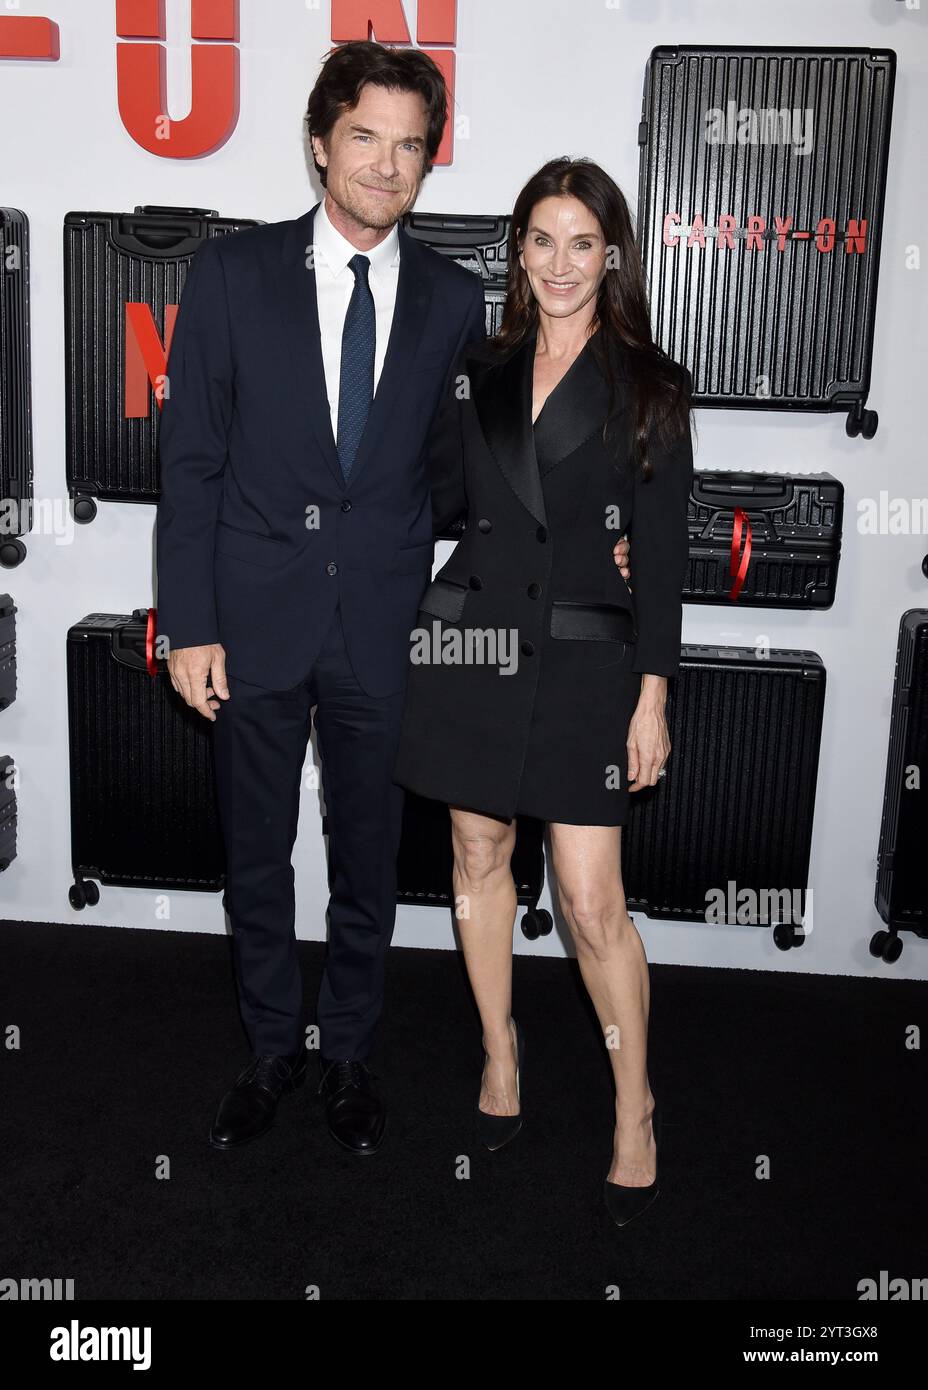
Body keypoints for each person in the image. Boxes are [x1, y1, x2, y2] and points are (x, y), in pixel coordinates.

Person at [156, 39, 636, 1156]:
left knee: (369, 854)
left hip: (386, 628)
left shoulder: (451, 300)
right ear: (321, 143)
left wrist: (594, 549)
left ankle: (350, 1053)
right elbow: (191, 465)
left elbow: (476, 478)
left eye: (409, 145)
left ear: (428, 164)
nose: (385, 163)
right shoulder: (231, 276)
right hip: (252, 619)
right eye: (364, 137)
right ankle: (272, 1045)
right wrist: (190, 622)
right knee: (256, 854)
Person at [392, 156, 694, 1225]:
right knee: (476, 855)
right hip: (471, 649)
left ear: (609, 254)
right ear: (515, 252)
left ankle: (632, 1105)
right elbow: (432, 497)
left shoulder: (649, 383)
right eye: (539, 239)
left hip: (581, 665)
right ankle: (499, 1048)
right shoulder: (478, 368)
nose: (559, 263)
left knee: (589, 900)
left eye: (580, 242)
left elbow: (659, 558)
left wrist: (651, 694)